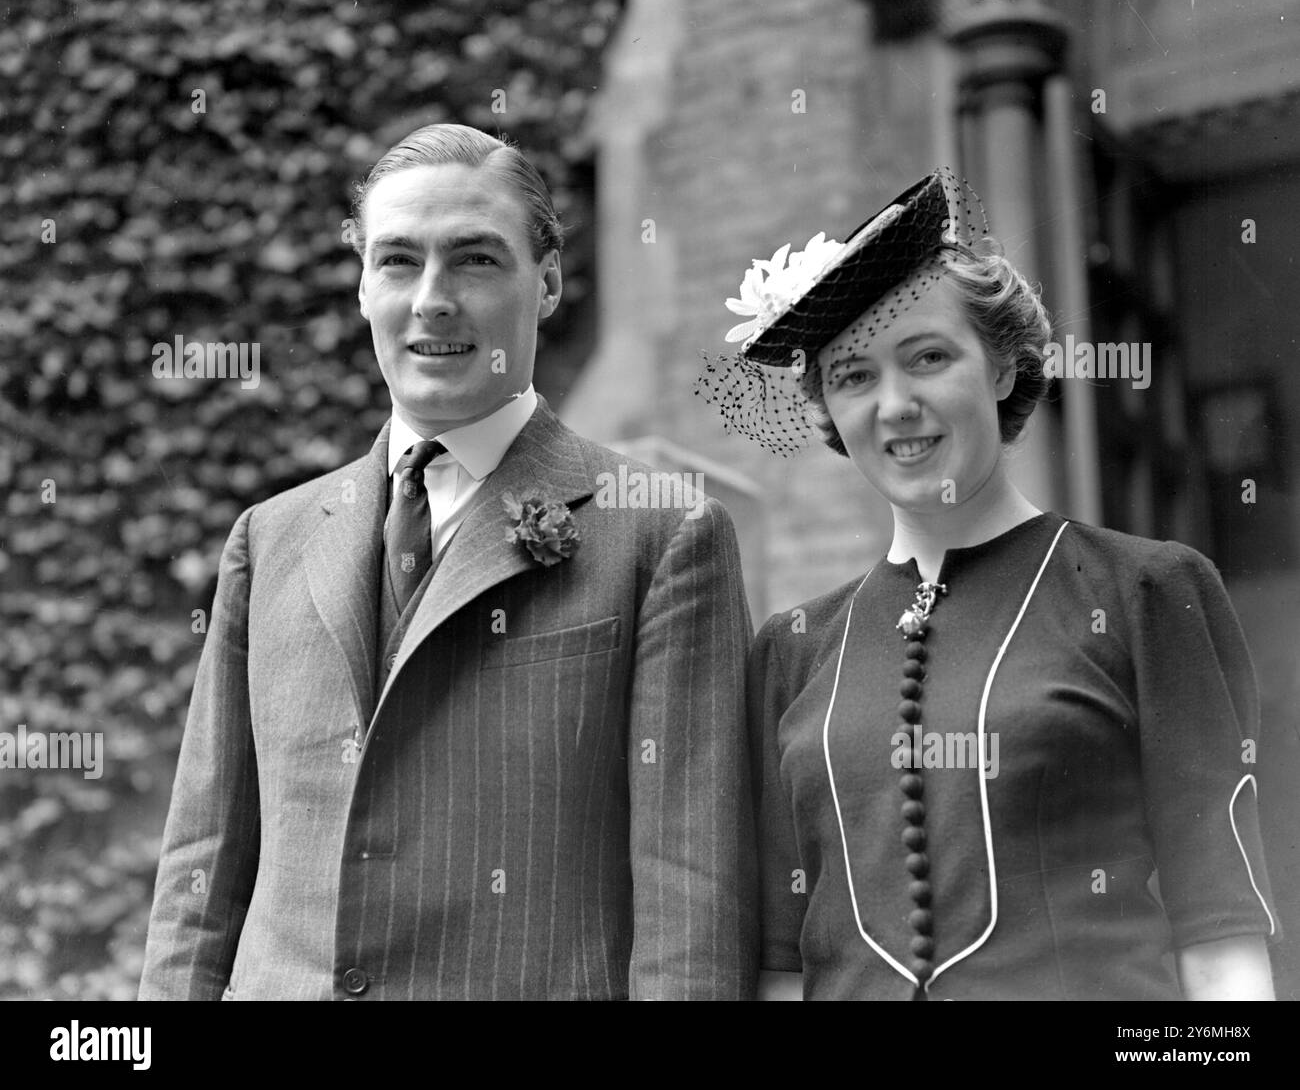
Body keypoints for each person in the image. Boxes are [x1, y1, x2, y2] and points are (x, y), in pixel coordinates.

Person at [139, 123, 757, 1000]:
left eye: (474, 259)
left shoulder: (662, 536)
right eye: (397, 261)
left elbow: (690, 892)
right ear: (361, 287)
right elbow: (202, 860)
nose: (432, 299)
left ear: (545, 283)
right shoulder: (268, 538)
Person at [704, 169, 1278, 1000]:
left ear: (1005, 370)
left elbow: (1219, 932)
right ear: (828, 409)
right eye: (853, 375)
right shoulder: (792, 651)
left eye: (928, 357)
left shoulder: (1147, 592)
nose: (895, 405)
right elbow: (782, 966)